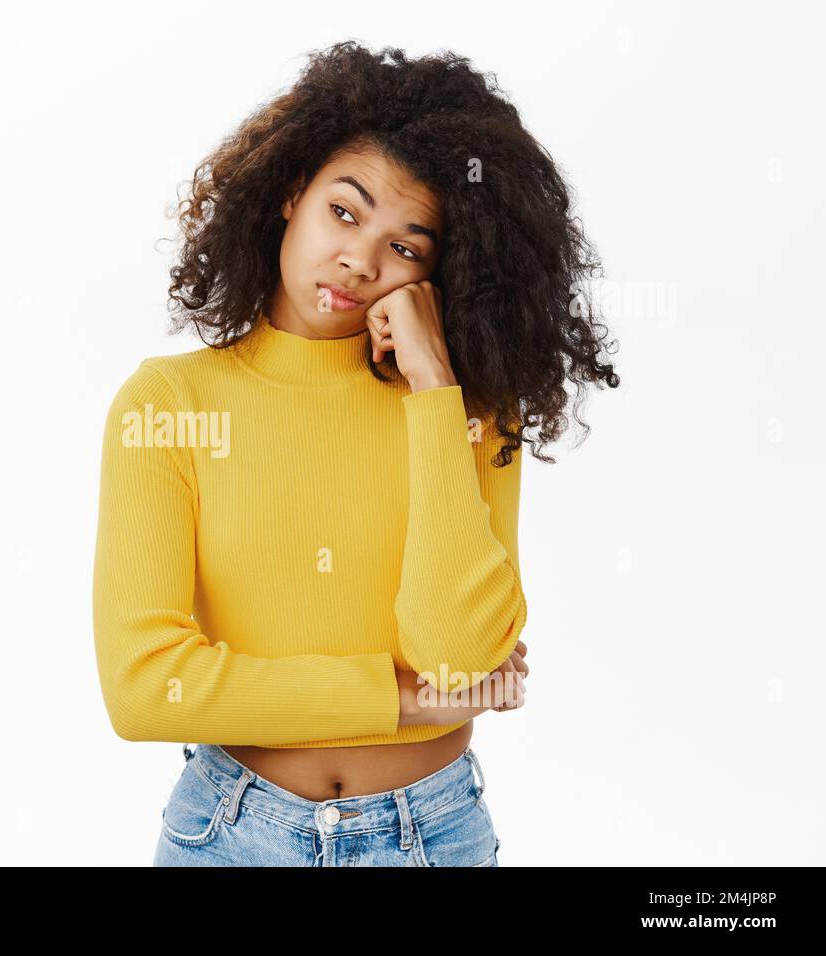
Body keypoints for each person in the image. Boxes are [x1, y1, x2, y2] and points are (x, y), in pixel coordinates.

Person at [91, 42, 620, 866]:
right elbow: (144, 689)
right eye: (346, 211)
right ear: (291, 193)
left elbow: (456, 652)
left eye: (407, 247)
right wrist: (400, 700)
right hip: (229, 835)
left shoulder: (471, 412)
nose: (360, 261)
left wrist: (434, 385)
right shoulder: (168, 406)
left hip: (431, 838)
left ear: (443, 271)